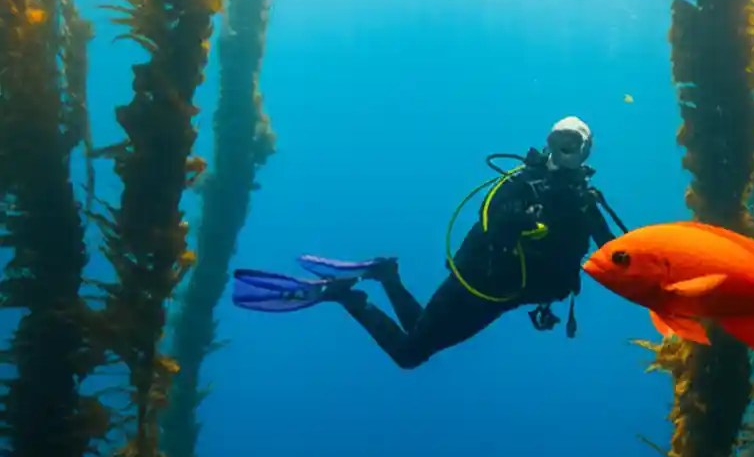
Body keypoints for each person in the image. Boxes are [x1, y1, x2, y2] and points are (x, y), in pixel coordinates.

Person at [232, 116, 626, 369]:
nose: (566, 152)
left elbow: (616, 253)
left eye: (576, 146)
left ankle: (385, 275)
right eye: (559, 141)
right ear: (547, 142)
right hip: (475, 281)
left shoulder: (583, 201)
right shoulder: (524, 184)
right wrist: (521, 221)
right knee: (410, 354)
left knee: (418, 341)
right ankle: (348, 296)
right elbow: (491, 221)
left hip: (503, 297)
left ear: (587, 153)